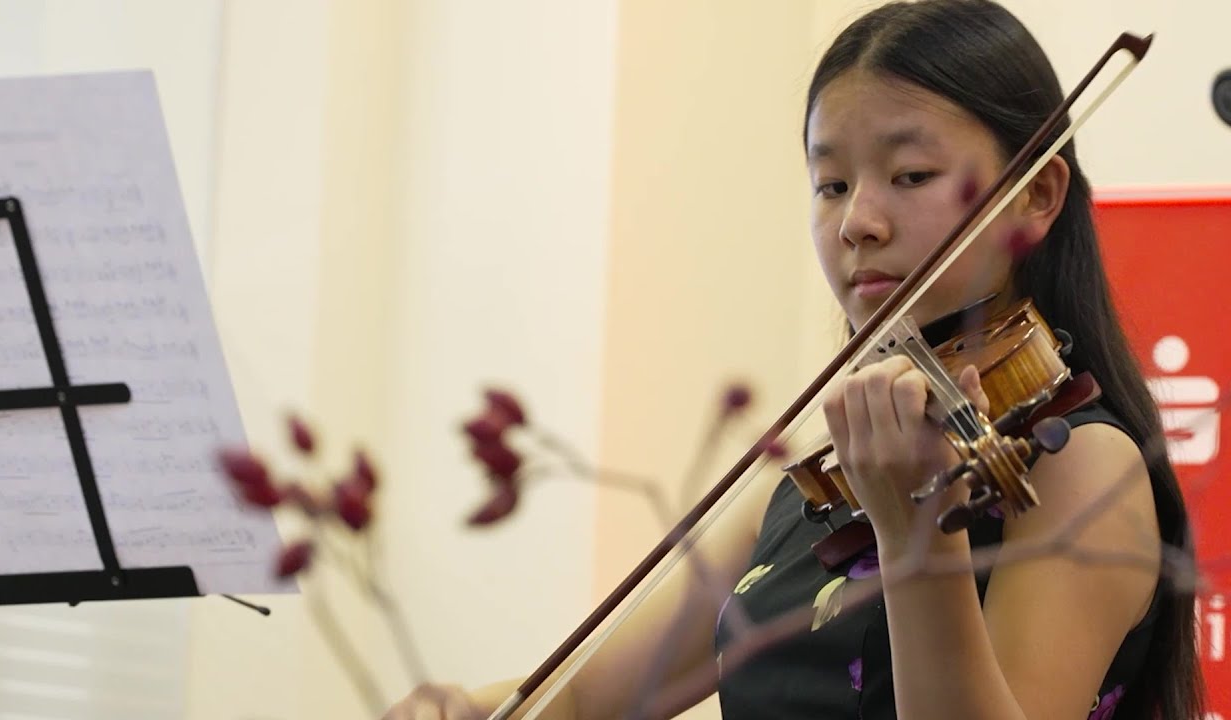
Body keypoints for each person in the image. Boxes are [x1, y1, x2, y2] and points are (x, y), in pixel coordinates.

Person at [384, 1, 1205, 718]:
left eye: (910, 175)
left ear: (1037, 194)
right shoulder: (822, 476)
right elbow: (591, 702)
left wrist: (916, 526)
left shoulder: (1077, 461)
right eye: (832, 185)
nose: (859, 223)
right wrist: (463, 706)